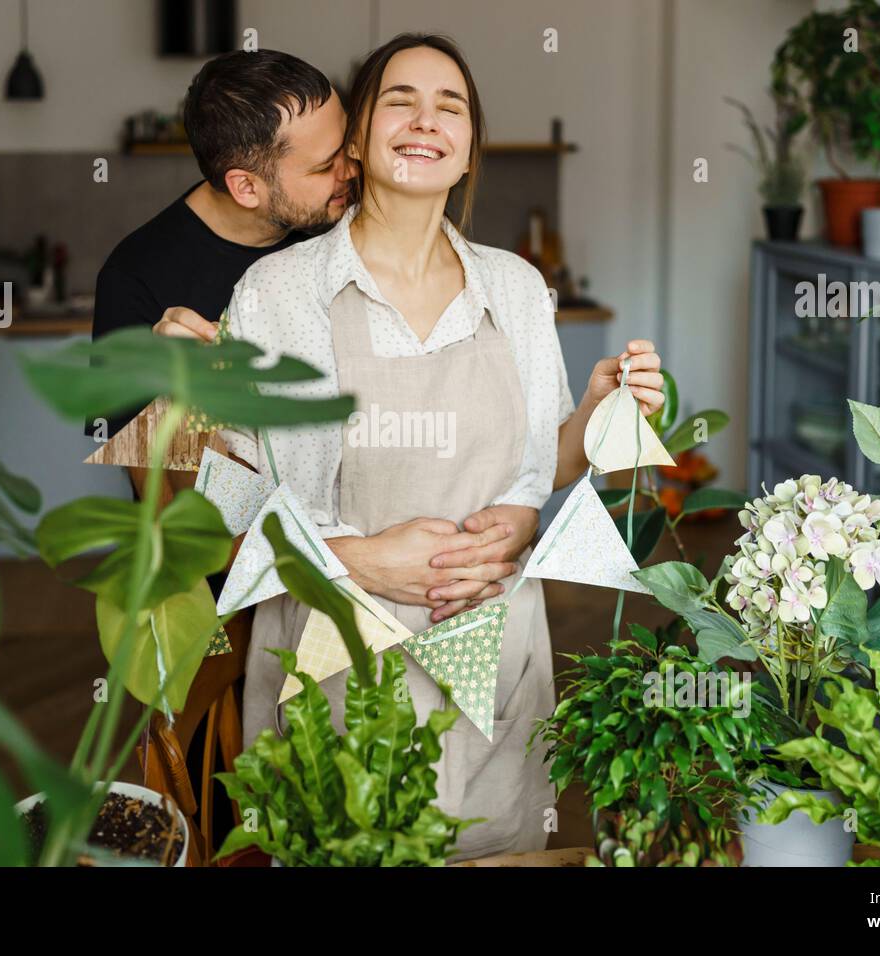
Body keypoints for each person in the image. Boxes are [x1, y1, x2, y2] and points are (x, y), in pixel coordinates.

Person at [217, 34, 664, 860]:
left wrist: (598, 413)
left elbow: (542, 466)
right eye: (400, 100)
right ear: (355, 139)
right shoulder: (276, 295)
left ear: (466, 150)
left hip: (492, 662)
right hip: (333, 667)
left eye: (450, 106)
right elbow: (229, 514)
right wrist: (358, 559)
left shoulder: (518, 289)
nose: (426, 120)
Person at [90, 48, 534, 621]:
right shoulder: (137, 281)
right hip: (228, 611)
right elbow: (172, 523)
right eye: (326, 166)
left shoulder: (339, 228)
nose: (352, 168)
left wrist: (503, 524)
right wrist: (354, 561)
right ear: (247, 187)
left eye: (349, 143)